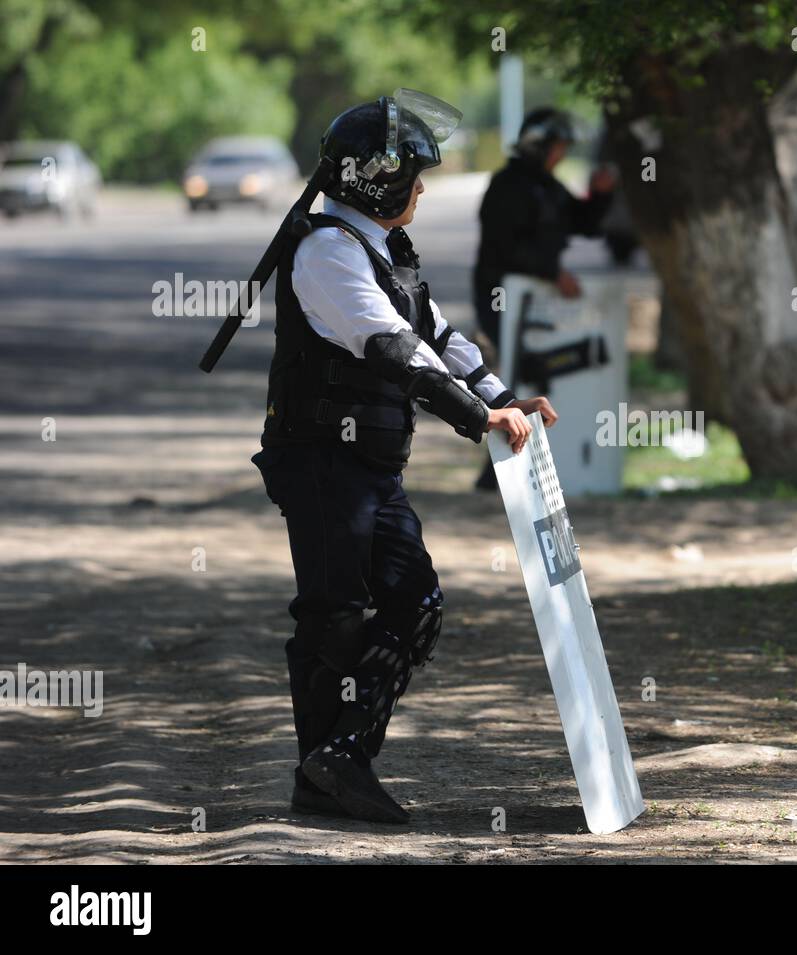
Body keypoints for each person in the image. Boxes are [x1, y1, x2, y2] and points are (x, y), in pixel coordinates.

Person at [250, 90, 556, 823]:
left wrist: (506, 396)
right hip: (324, 462)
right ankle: (325, 771)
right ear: (375, 179)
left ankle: (338, 760)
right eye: (412, 175)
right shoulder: (327, 251)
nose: (421, 188)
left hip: (370, 467)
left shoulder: (385, 248)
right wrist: (478, 417)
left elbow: (443, 338)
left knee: (416, 604)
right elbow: (395, 350)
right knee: (335, 616)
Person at [470, 107, 614, 489]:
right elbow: (505, 249)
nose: (561, 155)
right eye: (558, 147)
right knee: (512, 377)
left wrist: (598, 197)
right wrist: (553, 273)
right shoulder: (508, 186)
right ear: (539, 146)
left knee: (535, 375)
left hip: (535, 301)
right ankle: (497, 473)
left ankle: (522, 464)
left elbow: (583, 223)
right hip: (501, 297)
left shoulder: (547, 185)